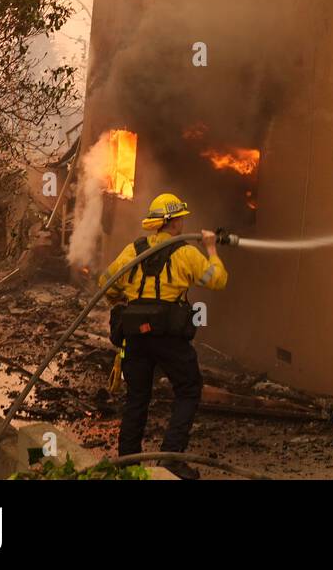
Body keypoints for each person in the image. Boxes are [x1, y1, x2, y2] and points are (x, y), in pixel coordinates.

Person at [100, 192, 227, 479]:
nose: (183, 223)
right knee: (188, 389)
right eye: (181, 218)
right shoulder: (185, 253)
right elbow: (217, 280)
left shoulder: (134, 251)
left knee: (137, 397)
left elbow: (105, 283)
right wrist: (212, 248)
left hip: (135, 337)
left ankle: (128, 464)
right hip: (169, 337)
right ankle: (171, 459)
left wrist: (122, 300)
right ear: (173, 221)